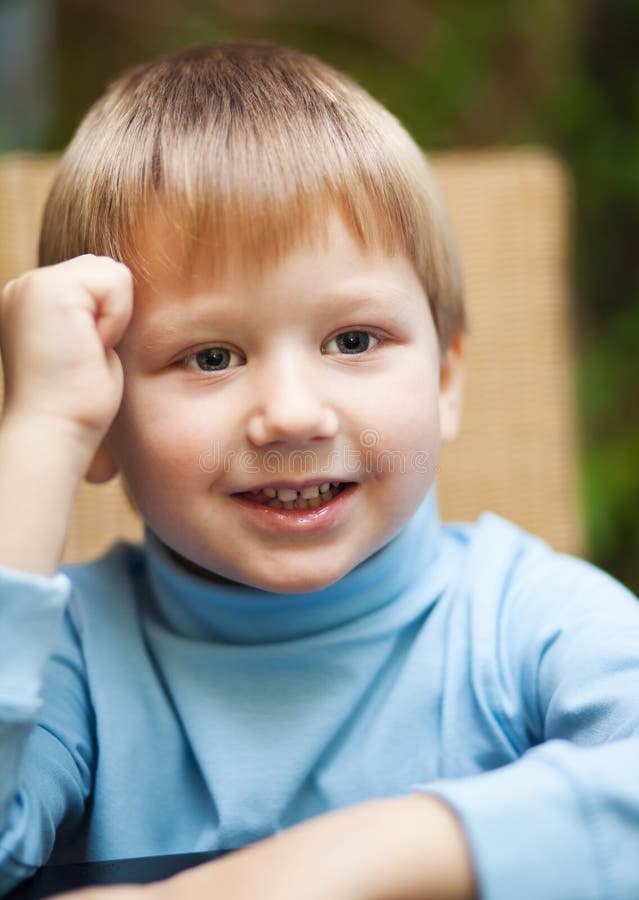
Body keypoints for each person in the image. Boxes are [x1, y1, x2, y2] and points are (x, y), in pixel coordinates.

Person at [0, 40, 637, 900]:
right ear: (104, 415)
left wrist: (333, 865)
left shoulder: (524, 621)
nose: (293, 412)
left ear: (446, 379)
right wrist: (40, 428)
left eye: (352, 340)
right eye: (211, 355)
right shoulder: (74, 655)